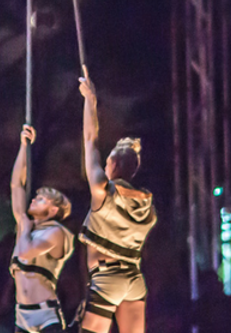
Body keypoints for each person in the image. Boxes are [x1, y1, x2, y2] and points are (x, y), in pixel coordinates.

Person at [77, 79, 156, 333]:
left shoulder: (103, 191)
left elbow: (90, 140)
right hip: (134, 279)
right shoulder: (148, 206)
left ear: (114, 165)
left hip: (107, 277)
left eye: (108, 159)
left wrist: (91, 102)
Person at [8, 125, 74, 333]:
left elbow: (27, 252)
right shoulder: (25, 226)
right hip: (22, 315)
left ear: (53, 210)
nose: (34, 199)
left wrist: (25, 227)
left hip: (45, 315)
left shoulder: (56, 233)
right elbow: (16, 185)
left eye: (41, 199)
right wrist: (23, 147)